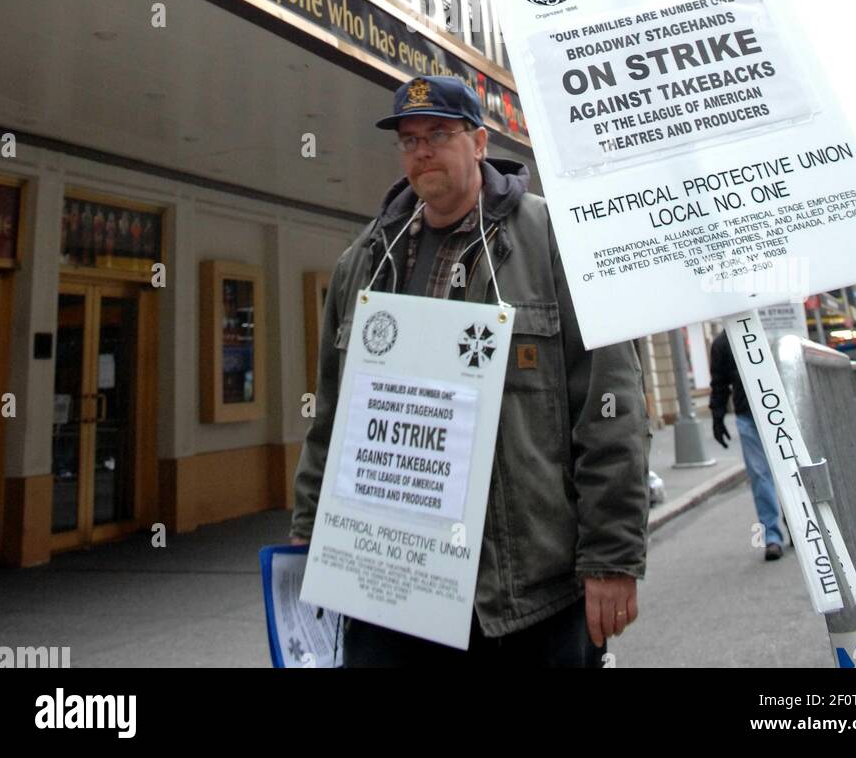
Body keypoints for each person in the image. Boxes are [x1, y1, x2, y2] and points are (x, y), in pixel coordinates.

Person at [290, 75, 650, 667]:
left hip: (523, 592)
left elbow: (610, 409)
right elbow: (332, 414)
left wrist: (611, 559)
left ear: (480, 142)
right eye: (408, 140)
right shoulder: (364, 261)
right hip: (391, 584)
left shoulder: (555, 243)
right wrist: (308, 529)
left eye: (438, 134)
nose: (421, 150)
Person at [710, 330, 785, 560]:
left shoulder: (765, 332)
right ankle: (772, 536)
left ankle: (796, 526)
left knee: (786, 471)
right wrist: (717, 415)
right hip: (748, 415)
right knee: (762, 476)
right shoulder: (723, 342)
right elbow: (720, 382)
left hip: (779, 411)